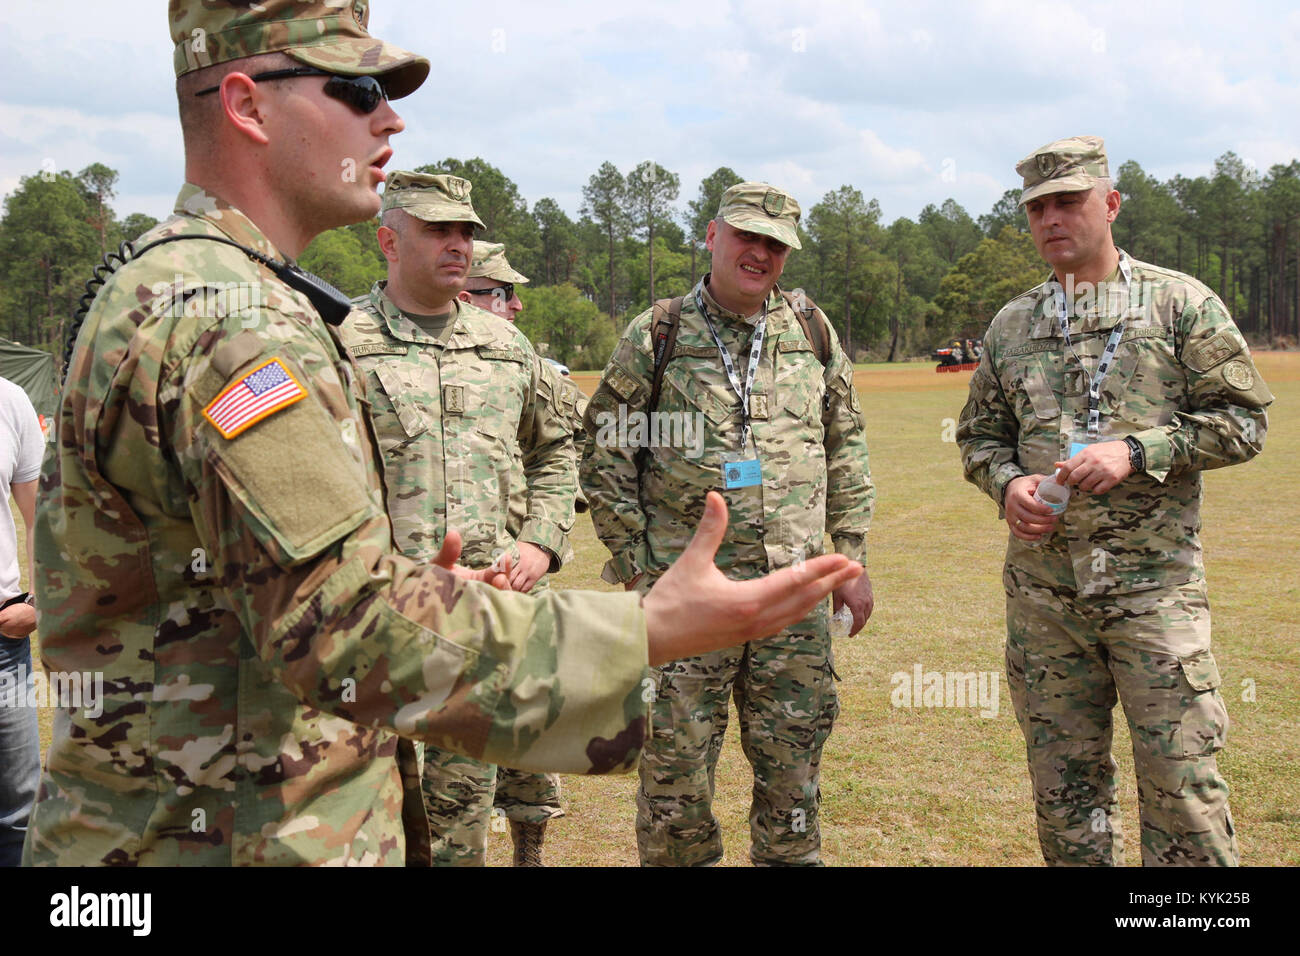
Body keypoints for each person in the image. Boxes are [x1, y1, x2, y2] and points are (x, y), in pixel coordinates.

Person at [23, 1, 861, 867]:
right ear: (246, 105)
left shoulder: (206, 287)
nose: (391, 118)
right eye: (357, 89)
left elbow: (254, 595)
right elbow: (343, 624)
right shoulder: (230, 322)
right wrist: (643, 629)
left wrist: (423, 580)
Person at [957, 135, 1272, 866]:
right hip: (1044, 600)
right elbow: (978, 438)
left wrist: (1137, 451)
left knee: (1181, 783)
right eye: (1037, 208)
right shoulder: (1012, 324)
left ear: (1111, 203)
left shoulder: (1179, 305)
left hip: (1153, 596)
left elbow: (1243, 422)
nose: (1051, 219)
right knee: (1065, 794)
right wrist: (1007, 485)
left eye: (1068, 201)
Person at [581, 182, 876, 866]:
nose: (760, 253)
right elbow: (605, 455)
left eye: (775, 244)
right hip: (689, 604)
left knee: (794, 777)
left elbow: (847, 441)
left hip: (791, 601)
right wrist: (639, 572)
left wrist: (852, 559)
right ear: (712, 235)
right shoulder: (660, 332)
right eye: (747, 236)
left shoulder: (810, 330)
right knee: (675, 780)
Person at [341, 184, 574, 866]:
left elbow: (558, 448)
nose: (458, 244)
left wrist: (542, 540)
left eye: (466, 231)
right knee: (368, 813)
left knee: (463, 817)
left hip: (491, 614)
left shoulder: (505, 345)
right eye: (439, 229)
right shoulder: (342, 342)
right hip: (379, 619)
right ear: (389, 240)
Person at [460, 240, 589, 514]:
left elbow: (596, 425)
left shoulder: (524, 363)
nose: (517, 305)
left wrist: (549, 511)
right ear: (464, 300)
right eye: (504, 293)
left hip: (519, 550)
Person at [0, 377, 42, 867]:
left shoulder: (10, 400)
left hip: (3, 642)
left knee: (17, 809)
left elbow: (42, 514)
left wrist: (39, 604)